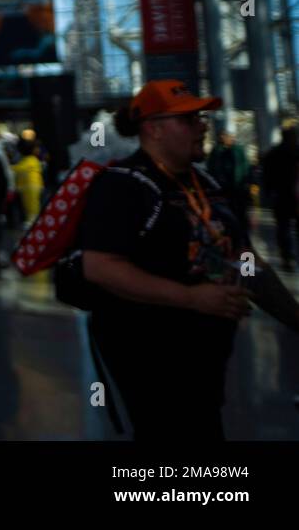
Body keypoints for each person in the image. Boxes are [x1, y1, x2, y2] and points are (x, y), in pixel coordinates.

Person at [80, 80, 299, 440]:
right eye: (189, 119)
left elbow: (244, 257)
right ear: (154, 128)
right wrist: (192, 298)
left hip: (204, 359)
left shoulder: (205, 183)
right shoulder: (122, 185)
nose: (203, 126)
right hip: (151, 360)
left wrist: (293, 316)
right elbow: (100, 266)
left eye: (201, 118)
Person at [261, 126, 298, 271]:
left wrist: (269, 194)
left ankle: (287, 257)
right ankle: (287, 257)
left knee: (283, 228)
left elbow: (267, 177)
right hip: (291, 196)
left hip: (281, 197)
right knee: (285, 228)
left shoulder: (273, 154)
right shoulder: (296, 151)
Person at [11, 136, 44, 227]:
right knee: (33, 209)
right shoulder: (33, 162)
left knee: (30, 209)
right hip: (33, 188)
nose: (38, 150)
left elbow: (16, 170)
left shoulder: (23, 163)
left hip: (27, 189)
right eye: (37, 148)